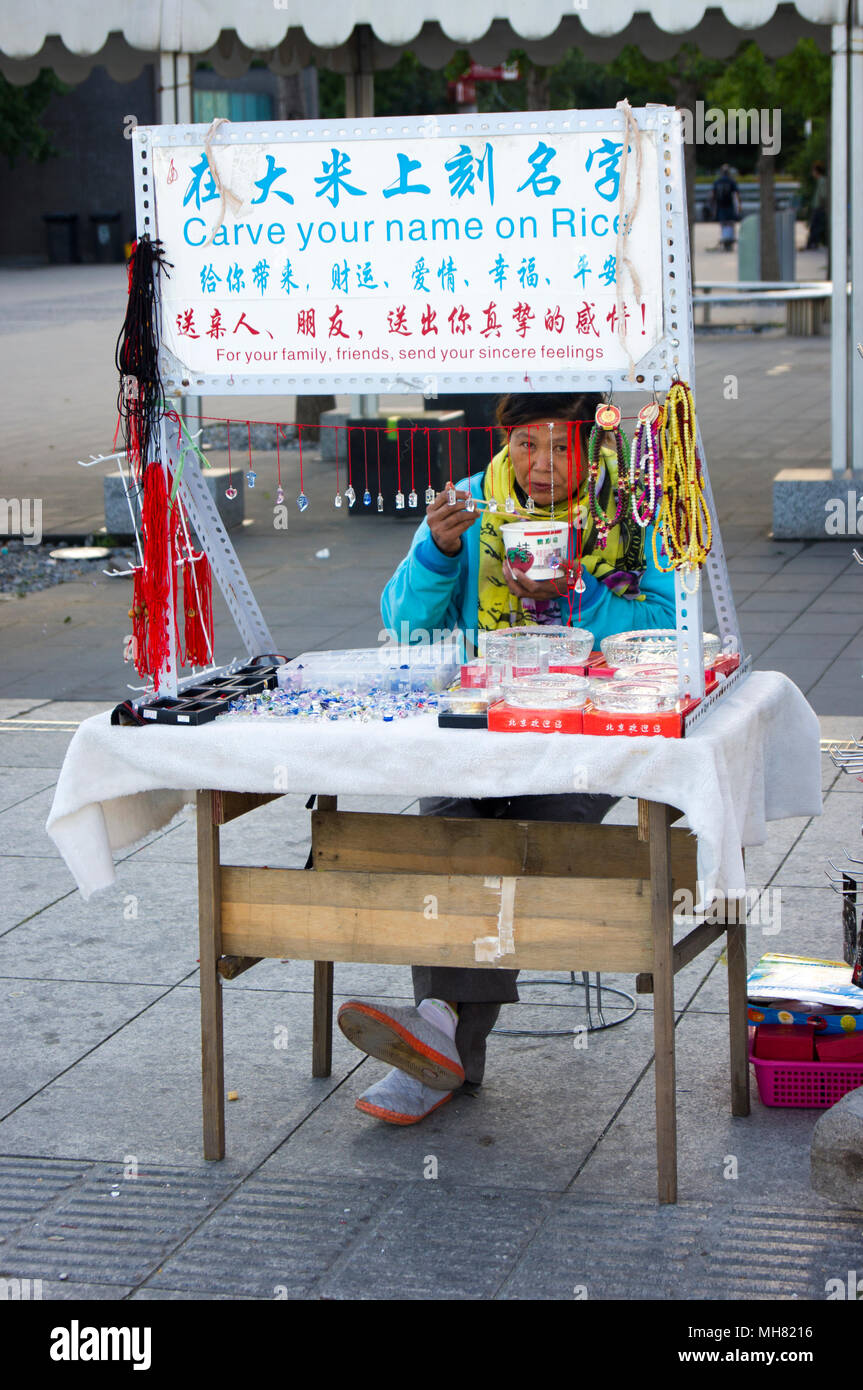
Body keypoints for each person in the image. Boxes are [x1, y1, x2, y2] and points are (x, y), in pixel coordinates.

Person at [337, 391, 677, 1124]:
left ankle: (437, 1041)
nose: (541, 464)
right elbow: (400, 626)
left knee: (513, 840)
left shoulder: (636, 511)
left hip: (587, 739)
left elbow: (668, 628)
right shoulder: (471, 508)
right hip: (478, 732)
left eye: (561, 447)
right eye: (526, 445)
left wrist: (575, 597)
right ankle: (442, 1037)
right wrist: (439, 552)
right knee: (447, 832)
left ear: (595, 446)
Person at [711, 164, 741, 251]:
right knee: (731, 222)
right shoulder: (731, 181)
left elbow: (713, 195)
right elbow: (736, 194)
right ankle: (730, 240)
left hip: (720, 205)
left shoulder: (717, 182)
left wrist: (712, 207)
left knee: (723, 223)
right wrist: (739, 205)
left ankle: (725, 240)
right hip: (729, 205)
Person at [806, 161, 827, 250]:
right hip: (819, 207)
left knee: (815, 226)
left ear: (817, 171)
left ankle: (812, 244)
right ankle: (813, 243)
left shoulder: (822, 181)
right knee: (816, 226)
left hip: (819, 207)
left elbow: (823, 195)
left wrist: (822, 206)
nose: (812, 173)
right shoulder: (820, 181)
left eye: (813, 171)